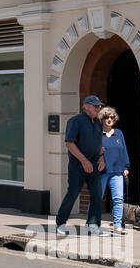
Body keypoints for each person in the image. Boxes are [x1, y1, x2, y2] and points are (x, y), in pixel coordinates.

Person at [55, 95, 106, 235]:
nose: (98, 108)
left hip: (94, 163)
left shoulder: (98, 123)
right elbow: (69, 143)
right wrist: (84, 161)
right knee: (73, 193)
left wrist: (101, 159)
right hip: (77, 164)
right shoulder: (75, 121)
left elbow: (99, 145)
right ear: (86, 106)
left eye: (99, 106)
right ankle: (61, 222)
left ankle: (93, 224)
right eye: (95, 106)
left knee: (97, 194)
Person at [99, 106, 130, 234]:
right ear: (102, 119)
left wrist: (125, 166)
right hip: (102, 171)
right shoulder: (97, 133)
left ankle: (117, 225)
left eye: (112, 117)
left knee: (118, 199)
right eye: (107, 117)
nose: (110, 119)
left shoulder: (119, 133)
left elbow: (123, 150)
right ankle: (92, 223)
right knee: (97, 197)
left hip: (117, 170)